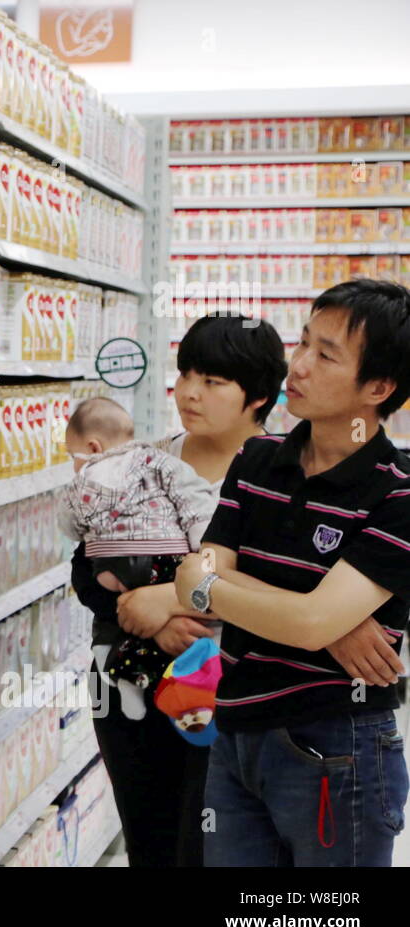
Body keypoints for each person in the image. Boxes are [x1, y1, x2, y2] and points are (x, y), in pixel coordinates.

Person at [174, 280, 410, 866]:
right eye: (302, 342)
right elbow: (190, 576)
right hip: (233, 731)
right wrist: (324, 620)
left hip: (337, 742)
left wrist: (219, 587)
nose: (297, 365)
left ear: (378, 387)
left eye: (325, 355)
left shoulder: (397, 492)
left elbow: (293, 617)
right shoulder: (256, 460)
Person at [72, 312, 287, 867]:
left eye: (213, 382)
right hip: (131, 682)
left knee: (212, 846)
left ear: (259, 396)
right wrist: (145, 616)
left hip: (234, 691)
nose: (190, 393)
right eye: (186, 373)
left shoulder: (281, 478)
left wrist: (169, 601)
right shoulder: (141, 463)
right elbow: (86, 569)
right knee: (151, 839)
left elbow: (285, 588)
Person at [58, 396, 216, 718]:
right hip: (168, 561)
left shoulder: (86, 477)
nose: (194, 392)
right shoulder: (159, 460)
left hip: (110, 566)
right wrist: (203, 547)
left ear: (92, 446)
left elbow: (71, 526)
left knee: (115, 622)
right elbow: (194, 505)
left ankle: (121, 672)